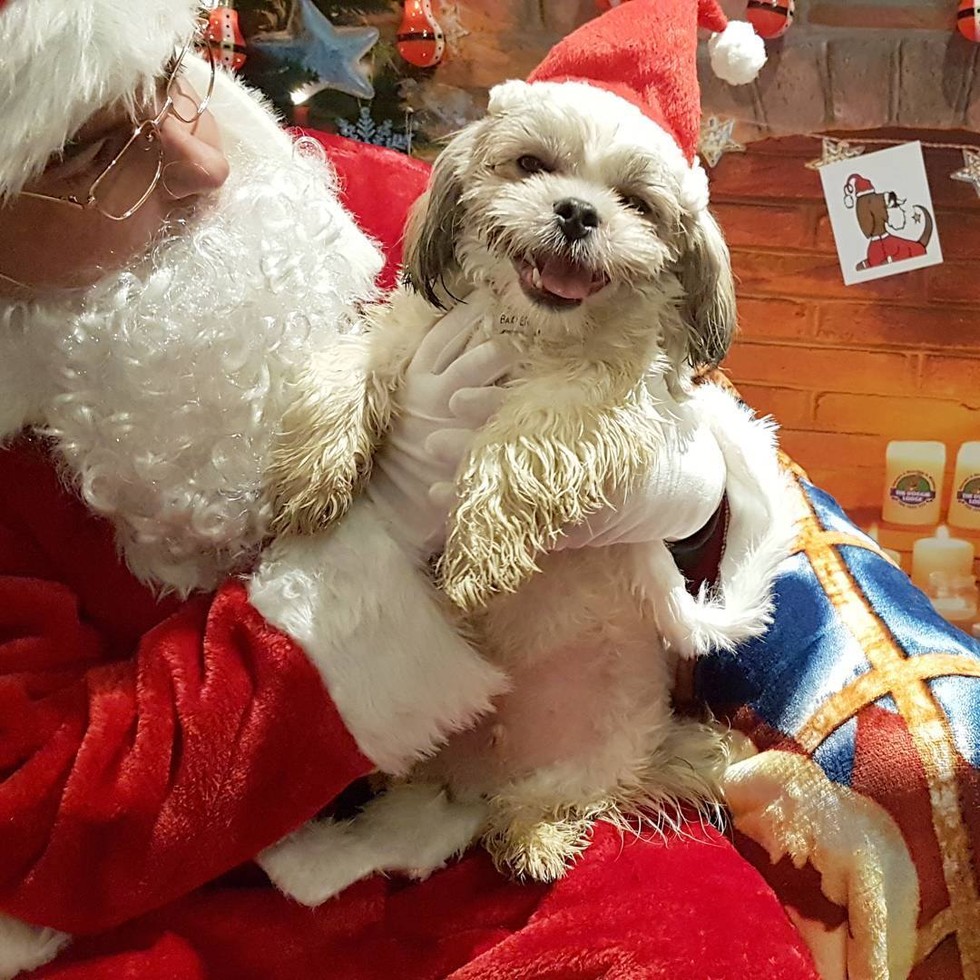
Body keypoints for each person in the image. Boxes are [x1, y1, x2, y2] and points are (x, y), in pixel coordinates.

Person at [4, 0, 958, 978]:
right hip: (208, 883)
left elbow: (684, 410)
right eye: (87, 156)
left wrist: (683, 491)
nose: (205, 160)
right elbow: (35, 815)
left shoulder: (330, 192)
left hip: (544, 772)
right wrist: (381, 535)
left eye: (175, 78)